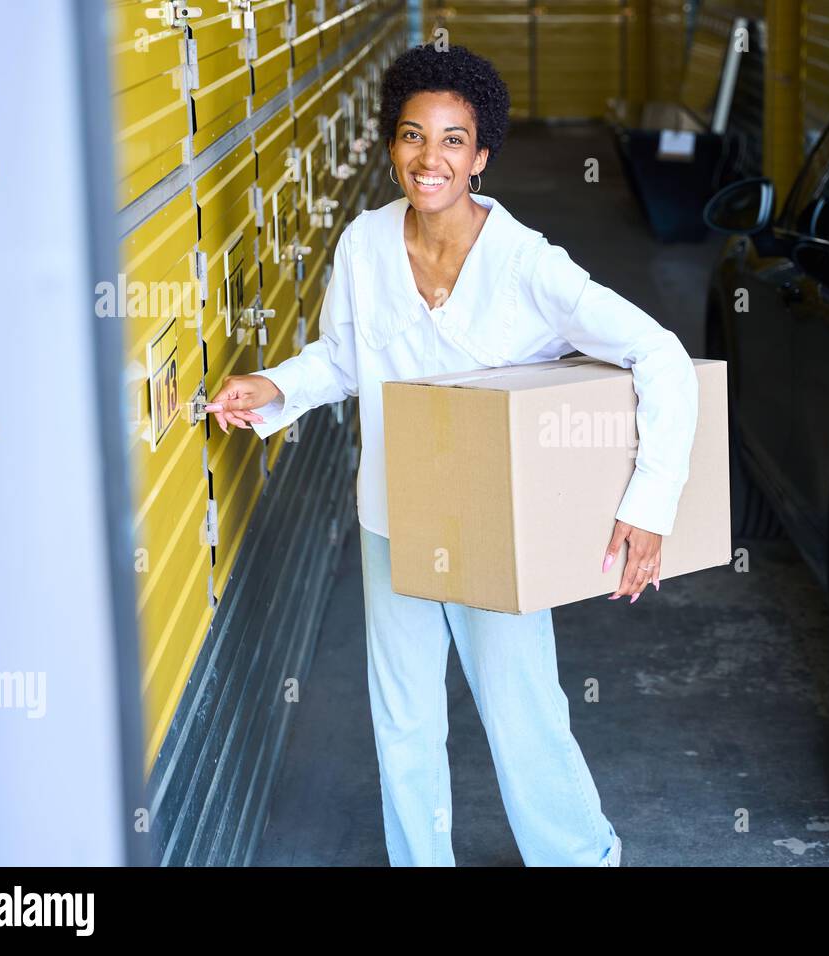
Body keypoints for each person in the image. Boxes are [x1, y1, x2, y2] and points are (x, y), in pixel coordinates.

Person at [205, 42, 698, 867]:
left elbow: (662, 355)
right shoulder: (365, 245)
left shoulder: (526, 265)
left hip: (492, 528)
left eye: (452, 140)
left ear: (482, 155)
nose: (429, 158)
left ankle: (581, 858)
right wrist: (274, 389)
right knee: (402, 719)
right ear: (391, 145)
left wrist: (648, 507)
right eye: (411, 135)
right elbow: (342, 356)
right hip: (392, 515)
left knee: (522, 710)